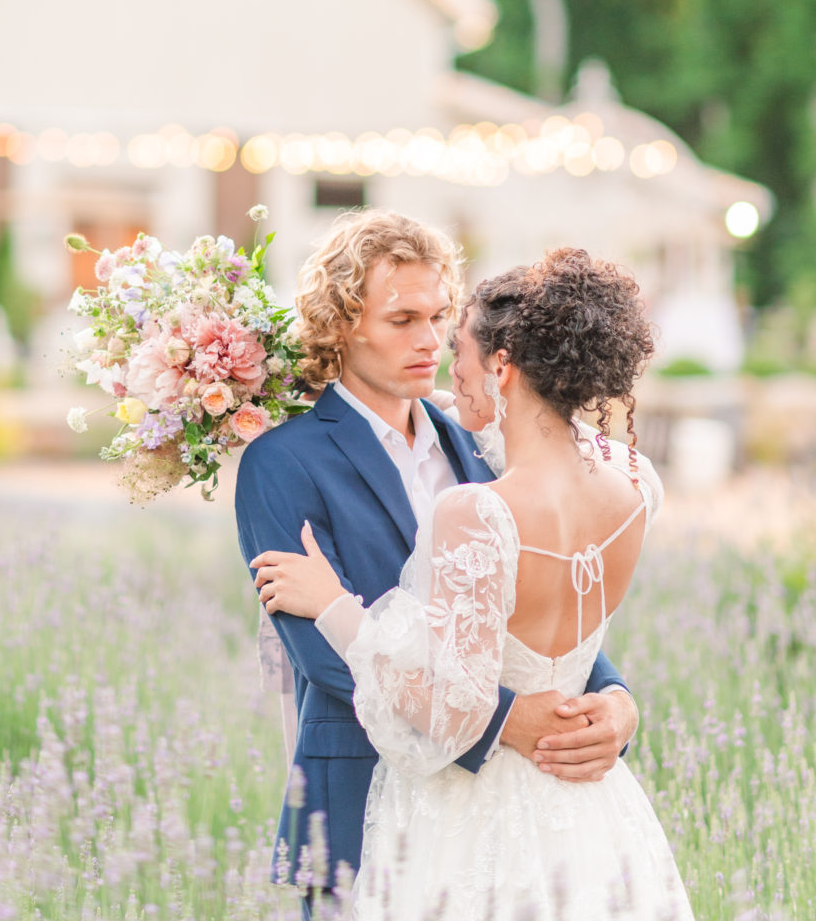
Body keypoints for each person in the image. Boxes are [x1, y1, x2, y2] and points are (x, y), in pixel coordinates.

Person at [253, 246, 694, 920]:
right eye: (404, 318)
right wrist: (551, 707)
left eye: (444, 326)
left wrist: (614, 699)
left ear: (503, 365)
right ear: (343, 325)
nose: (433, 349)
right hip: (566, 811)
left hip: (466, 818)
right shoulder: (634, 483)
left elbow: (465, 689)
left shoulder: (476, 486)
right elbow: (557, 609)